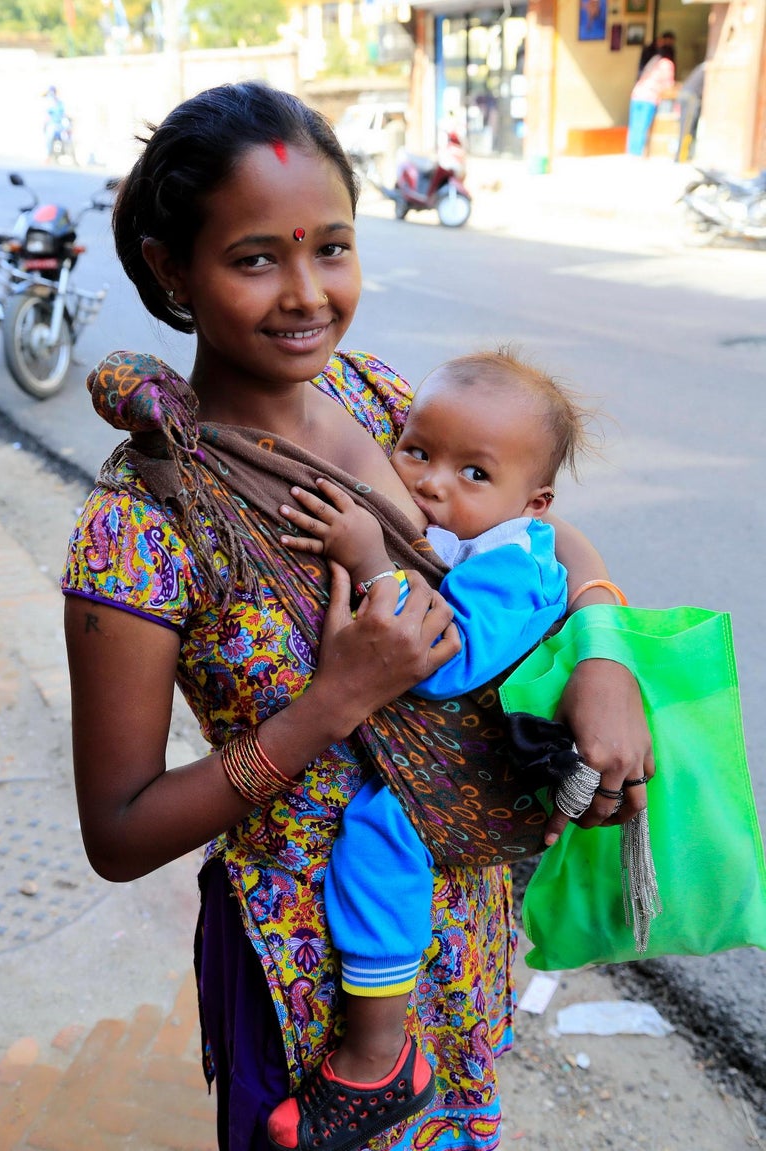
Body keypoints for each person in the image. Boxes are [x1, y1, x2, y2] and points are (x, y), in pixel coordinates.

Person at [61, 81, 653, 1151]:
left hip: (458, 917)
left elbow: (532, 533)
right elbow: (119, 829)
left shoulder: (379, 399)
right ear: (170, 269)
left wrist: (604, 653)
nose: (307, 295)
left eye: (331, 248)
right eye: (255, 259)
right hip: (313, 982)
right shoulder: (137, 528)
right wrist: (332, 704)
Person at [268, 348, 614, 1149]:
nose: (430, 483)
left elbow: (442, 660)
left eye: (473, 473)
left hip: (474, 769)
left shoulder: (515, 567)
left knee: (380, 839)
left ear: (532, 503)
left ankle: (378, 1053)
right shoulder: (474, 535)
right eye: (417, 451)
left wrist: (369, 558)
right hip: (461, 752)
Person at [627, 41, 676, 158]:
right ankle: (638, 154)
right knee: (643, 126)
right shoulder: (667, 64)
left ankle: (631, 152)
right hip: (649, 97)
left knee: (634, 125)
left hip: (637, 94)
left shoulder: (654, 60)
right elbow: (668, 86)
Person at [676, 62, 706, 163]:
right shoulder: (707, 69)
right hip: (691, 98)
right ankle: (682, 157)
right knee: (687, 127)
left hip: (685, 95)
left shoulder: (701, 68)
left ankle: (682, 155)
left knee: (685, 126)